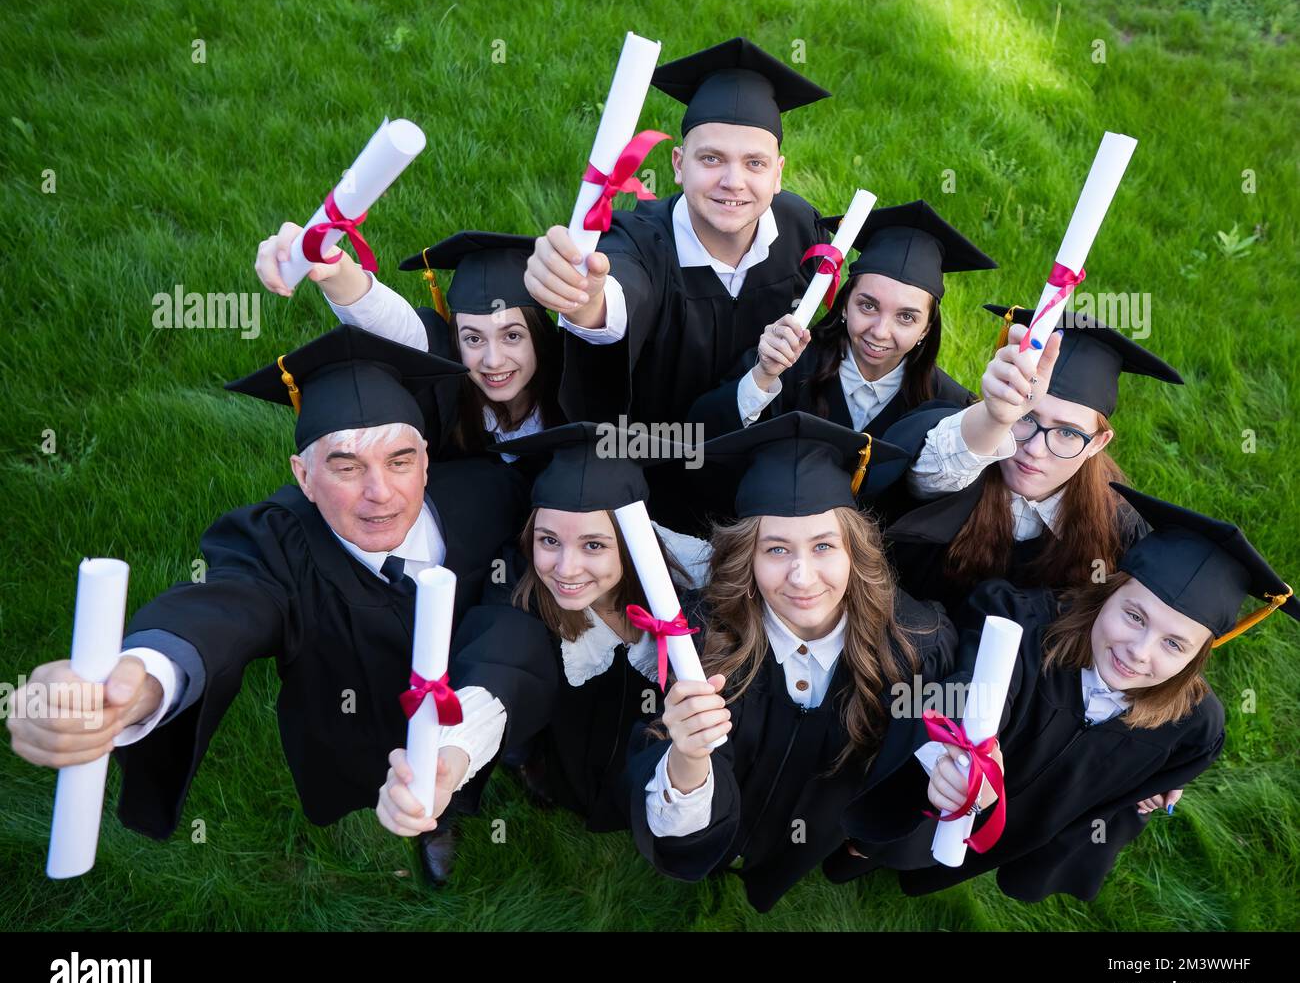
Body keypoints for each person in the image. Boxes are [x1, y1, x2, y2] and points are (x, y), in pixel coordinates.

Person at [5, 327, 537, 886]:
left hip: (479, 675)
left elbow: (522, 607)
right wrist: (137, 684)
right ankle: (434, 823)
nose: (380, 493)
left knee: (505, 711)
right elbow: (227, 607)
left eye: (399, 461)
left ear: (427, 461)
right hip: (361, 712)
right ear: (303, 477)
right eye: (347, 467)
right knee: (402, 778)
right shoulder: (276, 544)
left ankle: (516, 756)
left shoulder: (487, 496)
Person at [844, 484, 1296, 902]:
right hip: (945, 790)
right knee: (891, 845)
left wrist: (1152, 788)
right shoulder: (1019, 623)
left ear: (1198, 657)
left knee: (934, 875)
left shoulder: (1195, 729)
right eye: (1135, 616)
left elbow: (1128, 801)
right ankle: (868, 853)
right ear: (1108, 594)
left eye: (1173, 644)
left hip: (1020, 829)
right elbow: (969, 686)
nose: (1138, 653)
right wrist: (960, 749)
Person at [622, 412, 957, 912]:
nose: (802, 577)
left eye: (824, 546)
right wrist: (687, 756)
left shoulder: (915, 644)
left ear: (854, 552)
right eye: (776, 549)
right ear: (747, 560)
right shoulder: (699, 636)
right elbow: (660, 751)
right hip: (721, 816)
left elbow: (915, 768)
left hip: (822, 831)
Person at [376, 422, 710, 834]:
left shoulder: (695, 576)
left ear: (630, 544)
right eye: (549, 540)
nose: (565, 570)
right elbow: (499, 660)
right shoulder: (519, 582)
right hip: (564, 742)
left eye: (593, 545)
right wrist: (450, 754)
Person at [522, 38, 829, 476]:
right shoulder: (638, 239)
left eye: (754, 164)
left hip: (764, 463)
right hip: (655, 466)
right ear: (678, 164)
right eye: (712, 158)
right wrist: (585, 296)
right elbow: (618, 287)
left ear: (778, 173)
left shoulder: (800, 226)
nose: (733, 181)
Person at [878, 307, 1183, 612]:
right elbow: (931, 470)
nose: (1036, 449)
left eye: (1068, 433)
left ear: (1098, 443)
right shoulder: (967, 457)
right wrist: (992, 419)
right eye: (1025, 417)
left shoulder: (1116, 529)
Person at [255, 226, 564, 473]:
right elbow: (395, 326)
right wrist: (336, 271)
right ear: (454, 339)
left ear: (538, 335)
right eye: (473, 338)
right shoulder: (446, 380)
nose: (493, 361)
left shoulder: (572, 385)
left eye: (512, 336)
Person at [688, 200, 994, 439]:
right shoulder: (789, 364)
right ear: (845, 304)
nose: (880, 332)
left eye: (905, 317)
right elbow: (700, 433)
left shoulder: (947, 406)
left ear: (926, 329)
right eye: (868, 306)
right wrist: (763, 377)